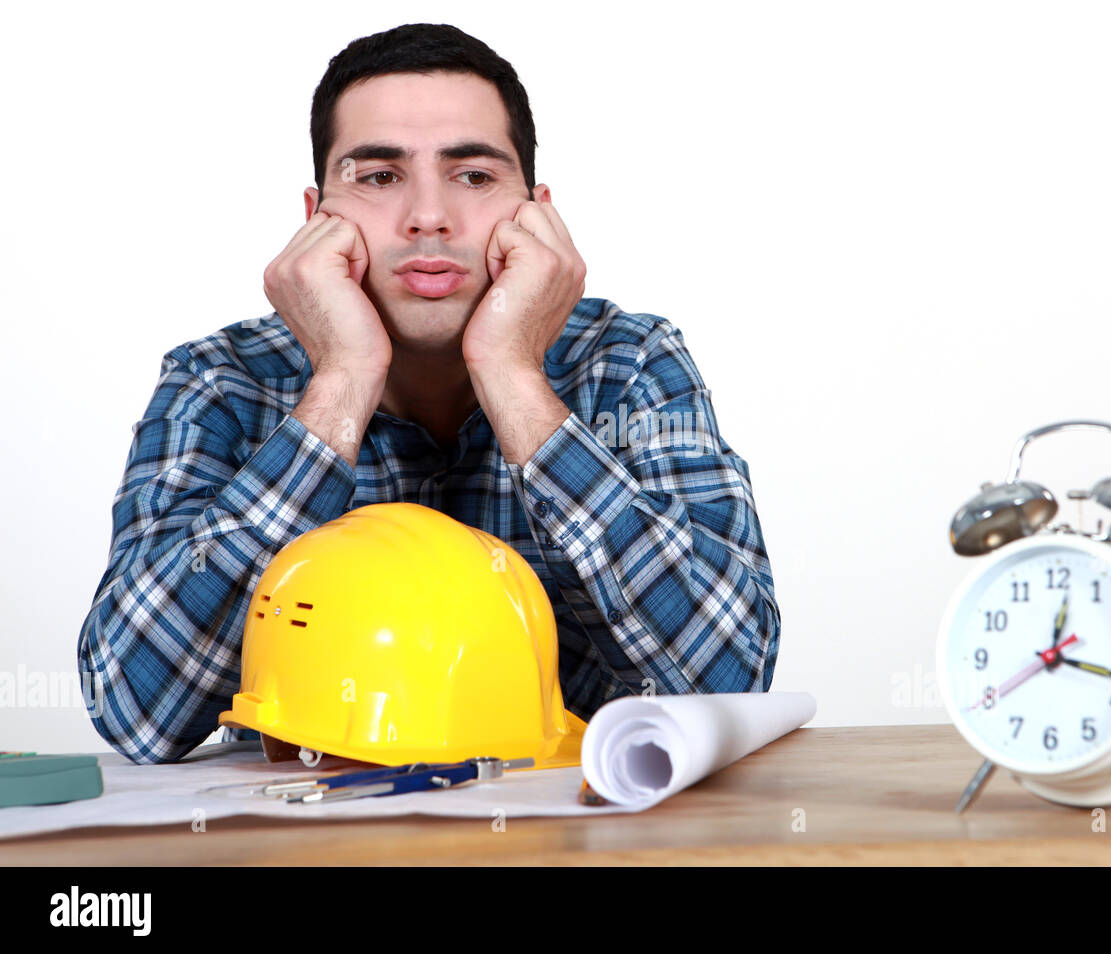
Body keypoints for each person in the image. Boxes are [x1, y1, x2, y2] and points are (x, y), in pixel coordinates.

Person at [77, 22, 780, 764]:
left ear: (537, 210)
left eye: (473, 175)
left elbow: (727, 681)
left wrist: (513, 375)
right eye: (379, 176)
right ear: (317, 216)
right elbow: (136, 710)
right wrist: (342, 382)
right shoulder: (219, 380)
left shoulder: (630, 362)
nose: (428, 216)